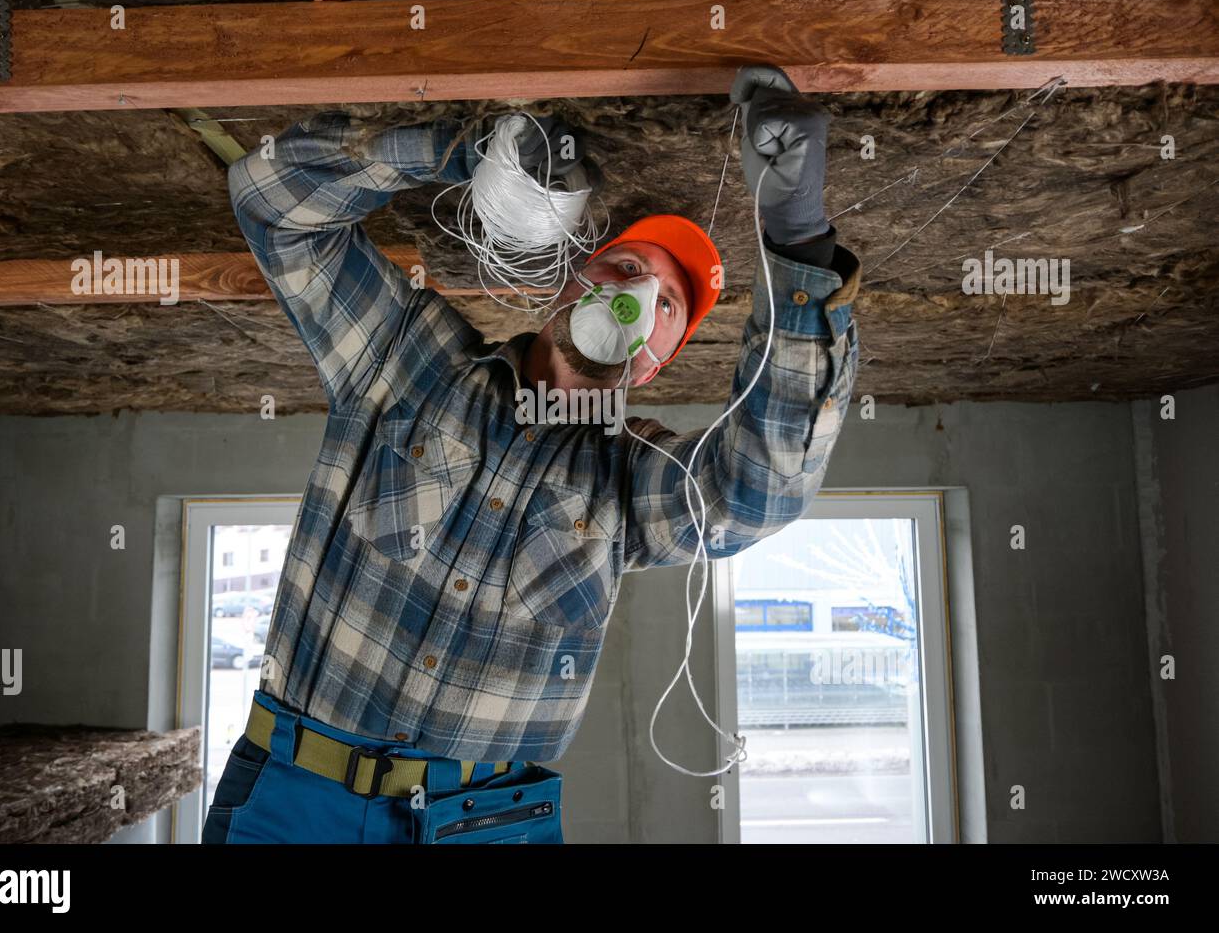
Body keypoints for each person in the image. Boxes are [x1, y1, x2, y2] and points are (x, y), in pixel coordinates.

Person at [202, 65, 860, 844]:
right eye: (622, 267)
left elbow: (758, 492)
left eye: (664, 304)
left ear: (656, 364)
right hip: (295, 798)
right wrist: (464, 156)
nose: (632, 297)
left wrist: (797, 235)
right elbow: (273, 209)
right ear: (566, 283)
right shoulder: (409, 361)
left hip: (484, 822)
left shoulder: (630, 482)